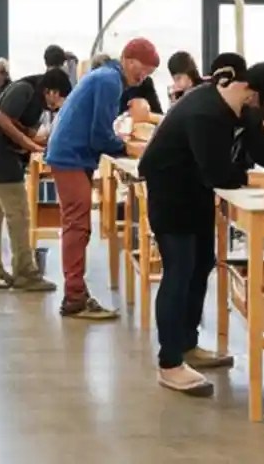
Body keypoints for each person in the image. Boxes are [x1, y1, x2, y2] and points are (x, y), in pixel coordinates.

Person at [140, 58, 264, 394]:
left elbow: (263, 148)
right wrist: (246, 176)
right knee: (179, 270)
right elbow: (218, 173)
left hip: (194, 192)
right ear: (255, 94)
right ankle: (169, 363)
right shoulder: (206, 112)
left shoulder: (239, 107)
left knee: (201, 264)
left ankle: (187, 345)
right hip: (170, 193)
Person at [45, 38, 156, 320]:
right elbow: (99, 135)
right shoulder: (110, 81)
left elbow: (100, 129)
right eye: (142, 70)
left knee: (76, 225)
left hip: (71, 154)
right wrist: (125, 146)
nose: (143, 78)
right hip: (71, 156)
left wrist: (116, 139)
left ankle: (76, 294)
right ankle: (74, 299)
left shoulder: (105, 76)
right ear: (129, 60)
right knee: (77, 225)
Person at [0, 68, 72, 292]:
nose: (58, 105)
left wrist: (38, 141)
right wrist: (30, 145)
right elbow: (3, 118)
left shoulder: (35, 100)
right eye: (60, 99)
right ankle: (25, 273)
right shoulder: (25, 89)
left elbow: (20, 126)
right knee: (19, 213)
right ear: (52, 92)